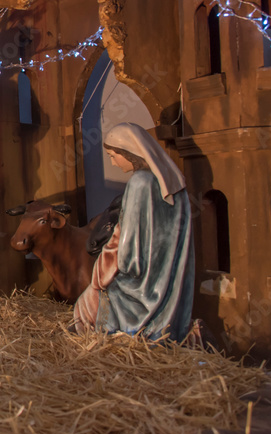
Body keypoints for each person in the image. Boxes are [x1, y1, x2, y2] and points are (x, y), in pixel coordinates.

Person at [72, 122, 194, 342]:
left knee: (86, 306)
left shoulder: (140, 182)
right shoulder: (171, 182)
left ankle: (125, 336)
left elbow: (128, 251)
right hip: (169, 282)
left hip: (141, 286)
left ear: (130, 152)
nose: (113, 162)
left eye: (114, 155)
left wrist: (101, 274)